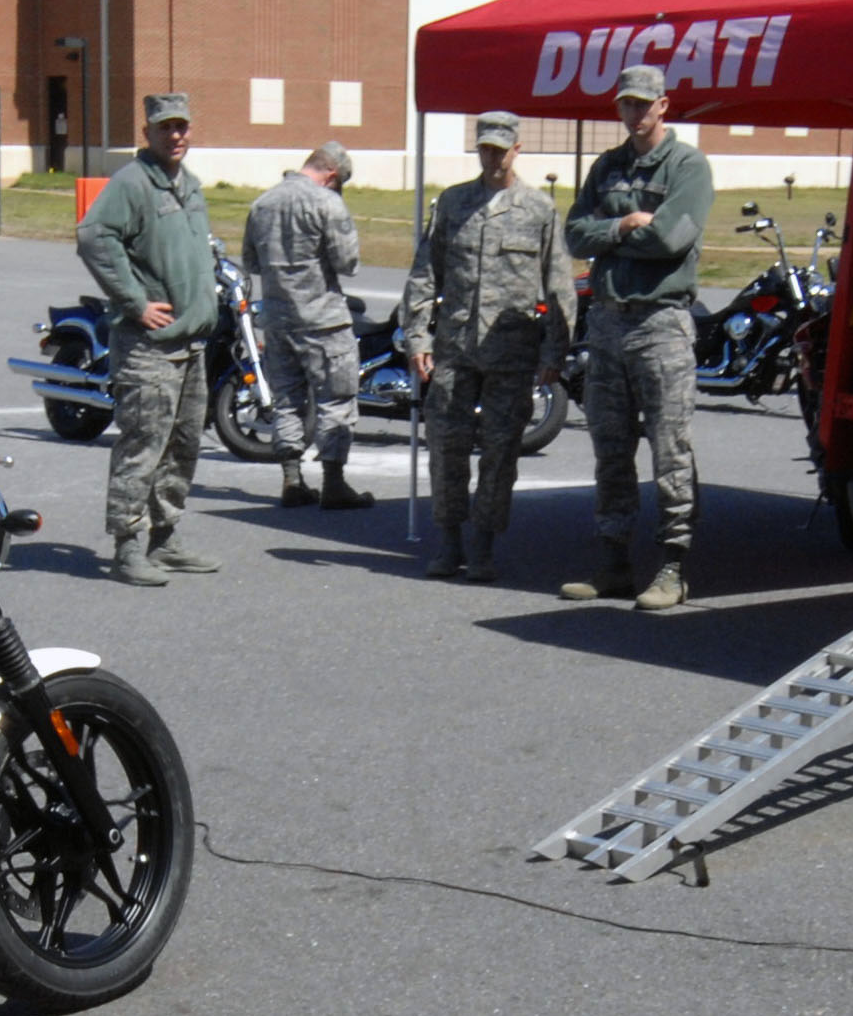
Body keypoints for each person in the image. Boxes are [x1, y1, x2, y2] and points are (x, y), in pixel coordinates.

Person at [400, 111, 576, 582]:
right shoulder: (454, 204)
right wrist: (417, 335)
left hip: (511, 351)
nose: (493, 156)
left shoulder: (537, 209)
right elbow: (425, 273)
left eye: (501, 148)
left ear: (517, 149)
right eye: (485, 148)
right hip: (454, 346)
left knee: (500, 450)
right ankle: (449, 541)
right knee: (445, 445)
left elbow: (558, 284)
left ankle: (483, 544)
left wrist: (555, 353)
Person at [561, 64, 712, 609]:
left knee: (670, 448)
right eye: (626, 103)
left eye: (644, 103)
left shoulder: (687, 166)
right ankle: (613, 562)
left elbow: (671, 239)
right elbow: (575, 234)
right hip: (607, 322)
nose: (635, 112)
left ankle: (673, 565)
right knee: (610, 445)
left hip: (660, 324)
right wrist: (623, 226)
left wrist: (617, 236)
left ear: (664, 106)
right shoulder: (607, 166)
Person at [76, 95, 221, 584]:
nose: (175, 136)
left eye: (182, 127)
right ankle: (128, 545)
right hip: (150, 348)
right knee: (143, 445)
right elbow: (94, 236)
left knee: (183, 446)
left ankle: (165, 538)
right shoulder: (131, 183)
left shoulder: (191, 186)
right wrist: (135, 301)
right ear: (147, 133)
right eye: (165, 128)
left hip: (192, 344)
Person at [243, 142, 370, 509]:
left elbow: (251, 261)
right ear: (332, 176)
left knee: (287, 401)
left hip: (279, 319)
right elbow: (348, 263)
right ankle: (334, 481)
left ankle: (291, 478)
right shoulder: (327, 203)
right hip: (323, 320)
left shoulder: (262, 203)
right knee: (336, 399)